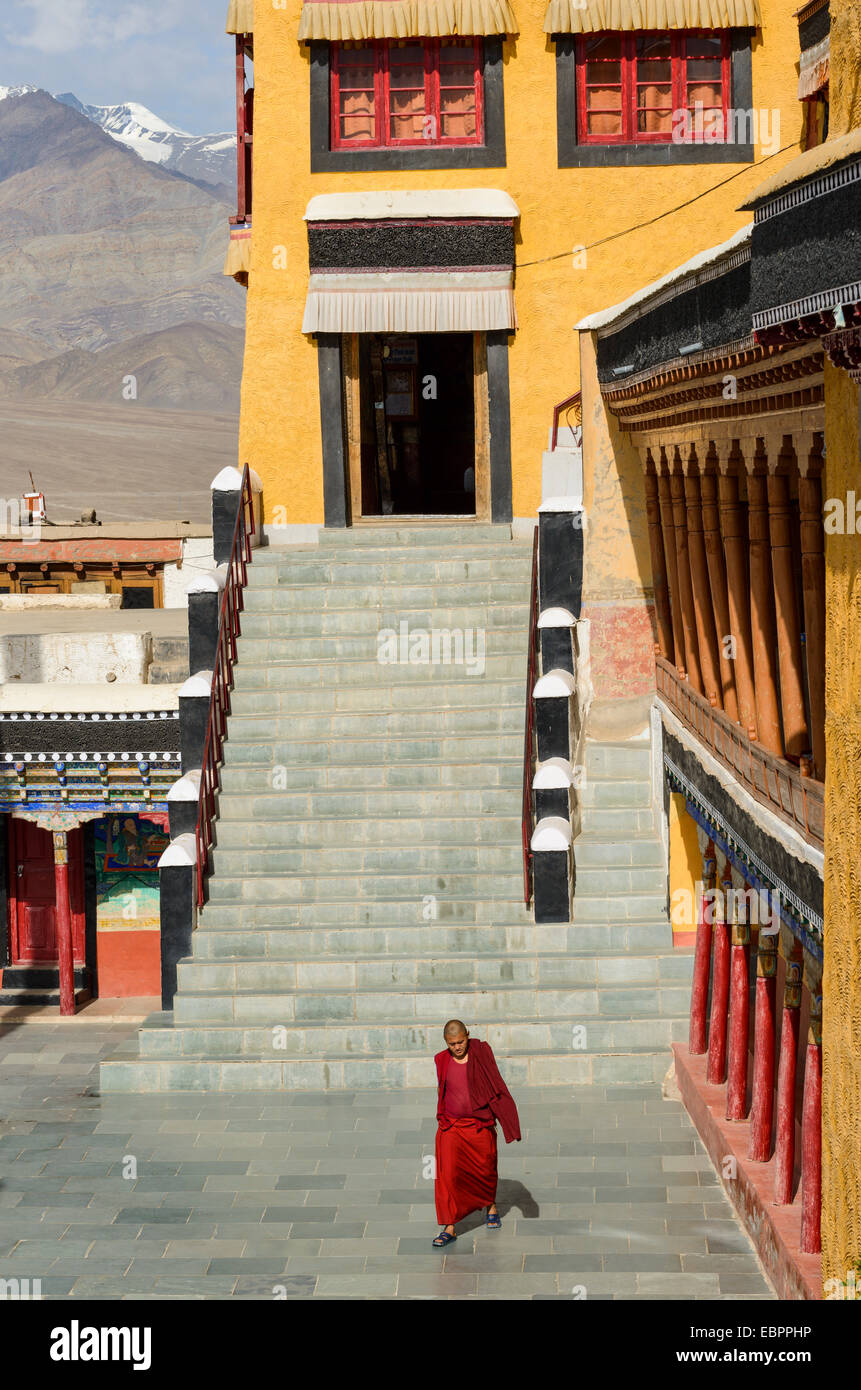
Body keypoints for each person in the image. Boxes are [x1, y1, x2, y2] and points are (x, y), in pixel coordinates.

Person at [432, 1019, 521, 1247]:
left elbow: (496, 1085)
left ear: (467, 1036)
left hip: (479, 1125)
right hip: (451, 1127)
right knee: (447, 1175)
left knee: (485, 1167)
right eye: (452, 1044)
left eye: (461, 1041)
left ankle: (490, 1205)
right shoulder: (441, 1060)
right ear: (446, 1043)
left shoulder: (481, 1053)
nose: (457, 1047)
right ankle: (449, 1226)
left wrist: (507, 1119)